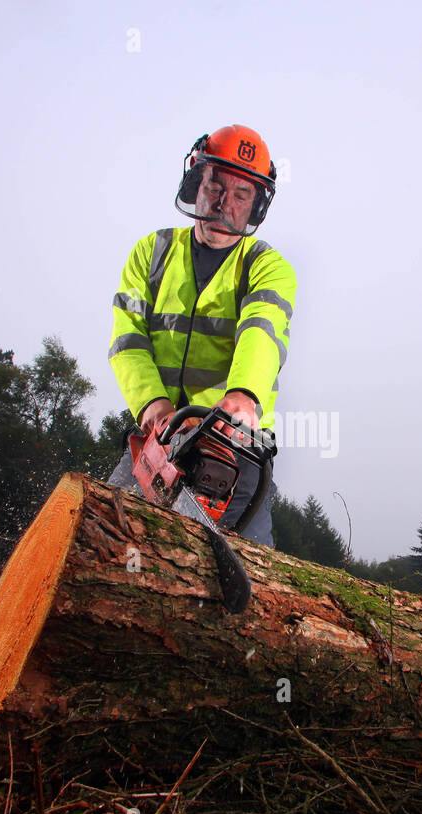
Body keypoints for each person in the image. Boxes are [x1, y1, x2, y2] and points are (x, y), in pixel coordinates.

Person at [106, 124, 296, 547]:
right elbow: (127, 339)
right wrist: (153, 406)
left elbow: (262, 330)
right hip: (160, 434)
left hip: (232, 445)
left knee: (246, 567)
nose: (225, 202)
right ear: (197, 180)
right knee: (104, 535)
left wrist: (243, 396)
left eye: (241, 194)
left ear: (255, 205)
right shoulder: (151, 253)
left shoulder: (266, 266)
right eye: (216, 184)